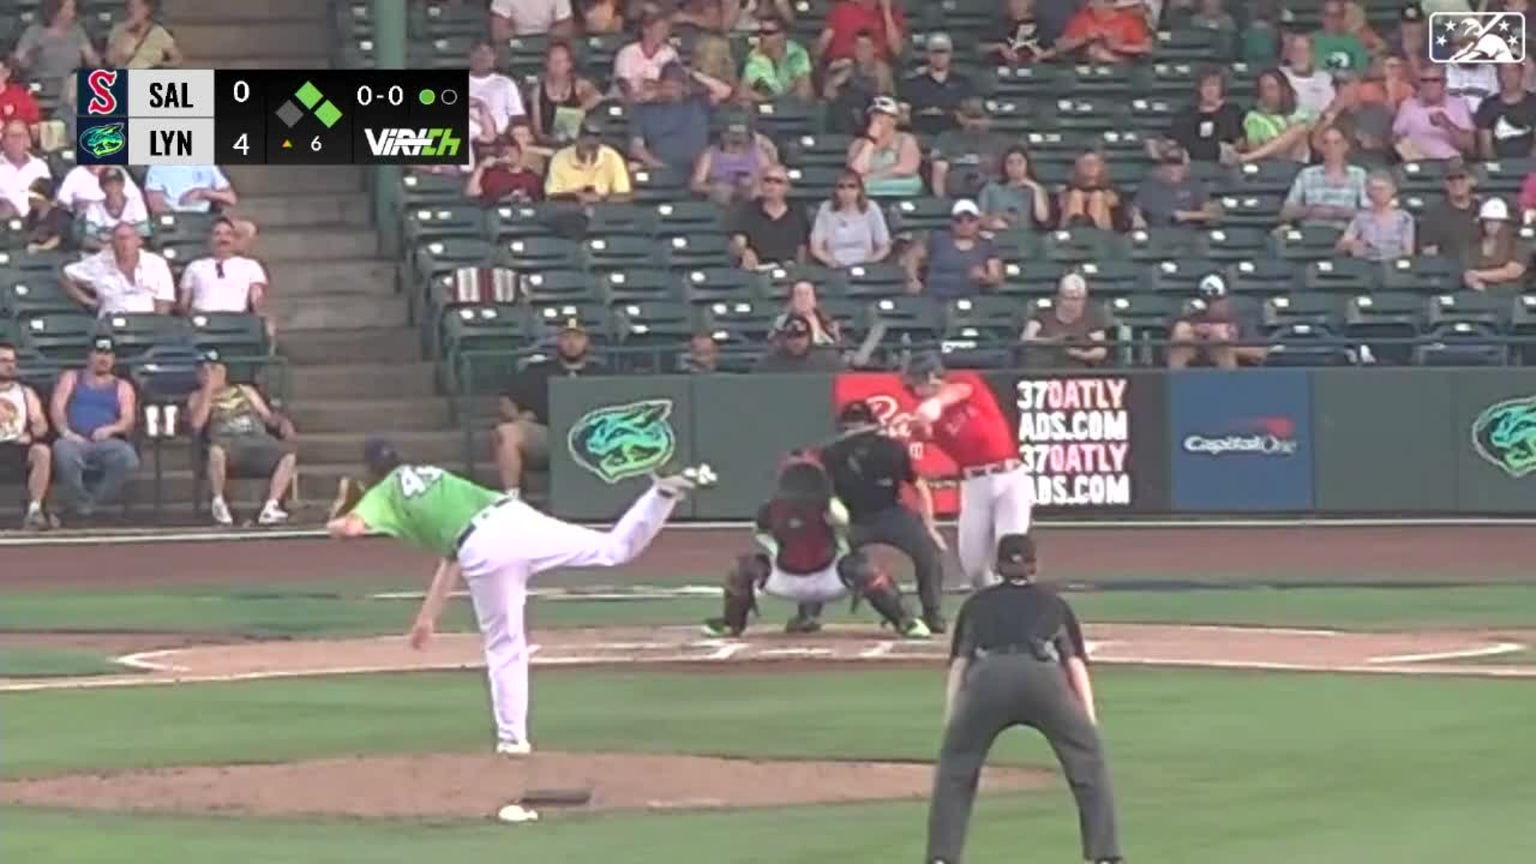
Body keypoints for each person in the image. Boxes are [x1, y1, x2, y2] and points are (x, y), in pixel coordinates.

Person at [328, 439, 713, 755]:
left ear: (371, 473)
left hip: (485, 549)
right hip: (513, 517)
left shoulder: (381, 495)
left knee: (505, 646)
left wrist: (336, 517)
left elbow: (351, 529)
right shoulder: (433, 475)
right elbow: (452, 555)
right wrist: (429, 616)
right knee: (613, 549)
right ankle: (663, 493)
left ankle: (513, 740)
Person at [925, 533, 1123, 864]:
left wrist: (953, 717)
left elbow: (960, 663)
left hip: (987, 681)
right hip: (1043, 680)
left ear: (996, 566)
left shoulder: (977, 604)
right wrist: (1087, 720)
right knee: (1088, 764)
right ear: (1035, 565)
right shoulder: (1053, 603)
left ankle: (941, 858)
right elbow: (1073, 663)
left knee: (956, 769)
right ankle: (1106, 857)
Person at [700, 454, 930, 638]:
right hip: (784, 579)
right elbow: (760, 531)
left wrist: (830, 523)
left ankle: (904, 621)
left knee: (862, 566)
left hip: (830, 578)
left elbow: (843, 525)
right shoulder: (771, 509)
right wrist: (776, 549)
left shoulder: (830, 507)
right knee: (742, 566)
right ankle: (731, 623)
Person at [807, 399, 948, 633]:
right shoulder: (831, 453)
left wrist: (930, 528)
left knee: (928, 549)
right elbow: (821, 493)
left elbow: (919, 486)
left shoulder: (891, 448)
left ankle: (933, 613)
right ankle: (808, 614)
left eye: (857, 424)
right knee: (820, 553)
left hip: (889, 513)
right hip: (853, 519)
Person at [904, 354, 1030, 588]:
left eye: (916, 384)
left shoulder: (964, 381)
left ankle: (1017, 600)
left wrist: (935, 404)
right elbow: (925, 433)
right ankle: (989, 602)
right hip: (975, 483)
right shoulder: (928, 414)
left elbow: (958, 391)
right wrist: (918, 425)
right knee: (973, 563)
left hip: (1010, 476)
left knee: (1010, 546)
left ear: (931, 377)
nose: (913, 390)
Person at [186, 353, 297, 527]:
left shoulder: (244, 390)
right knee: (215, 452)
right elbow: (197, 423)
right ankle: (218, 503)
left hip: (256, 440)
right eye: (204, 370)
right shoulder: (196, 397)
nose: (210, 374)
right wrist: (208, 388)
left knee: (288, 455)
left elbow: (268, 417)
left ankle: (271, 506)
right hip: (227, 444)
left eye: (214, 369)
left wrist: (283, 422)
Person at [49, 338, 140, 520]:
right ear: (89, 356)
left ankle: (93, 502)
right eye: (99, 353)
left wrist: (111, 429)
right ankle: (81, 501)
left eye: (108, 354)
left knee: (128, 458)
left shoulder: (122, 386)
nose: (103, 359)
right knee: (63, 451)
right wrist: (67, 432)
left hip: (107, 442)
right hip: (74, 439)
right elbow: (56, 408)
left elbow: (128, 419)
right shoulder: (72, 378)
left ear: (114, 359)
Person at [0, 341, 54, 529]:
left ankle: (35, 509)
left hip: (17, 446)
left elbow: (41, 425)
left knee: (42, 452)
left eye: (12, 361)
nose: (9, 365)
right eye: (3, 361)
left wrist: (32, 433)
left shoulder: (25, 392)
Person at [1021, 272, 1110, 368]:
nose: (1075, 303)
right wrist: (1052, 342)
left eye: (1079, 298)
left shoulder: (1092, 318)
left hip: (1079, 372)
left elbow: (1100, 351)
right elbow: (1026, 339)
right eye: (1070, 298)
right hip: (1044, 370)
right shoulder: (1042, 315)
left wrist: (1080, 354)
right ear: (1060, 297)